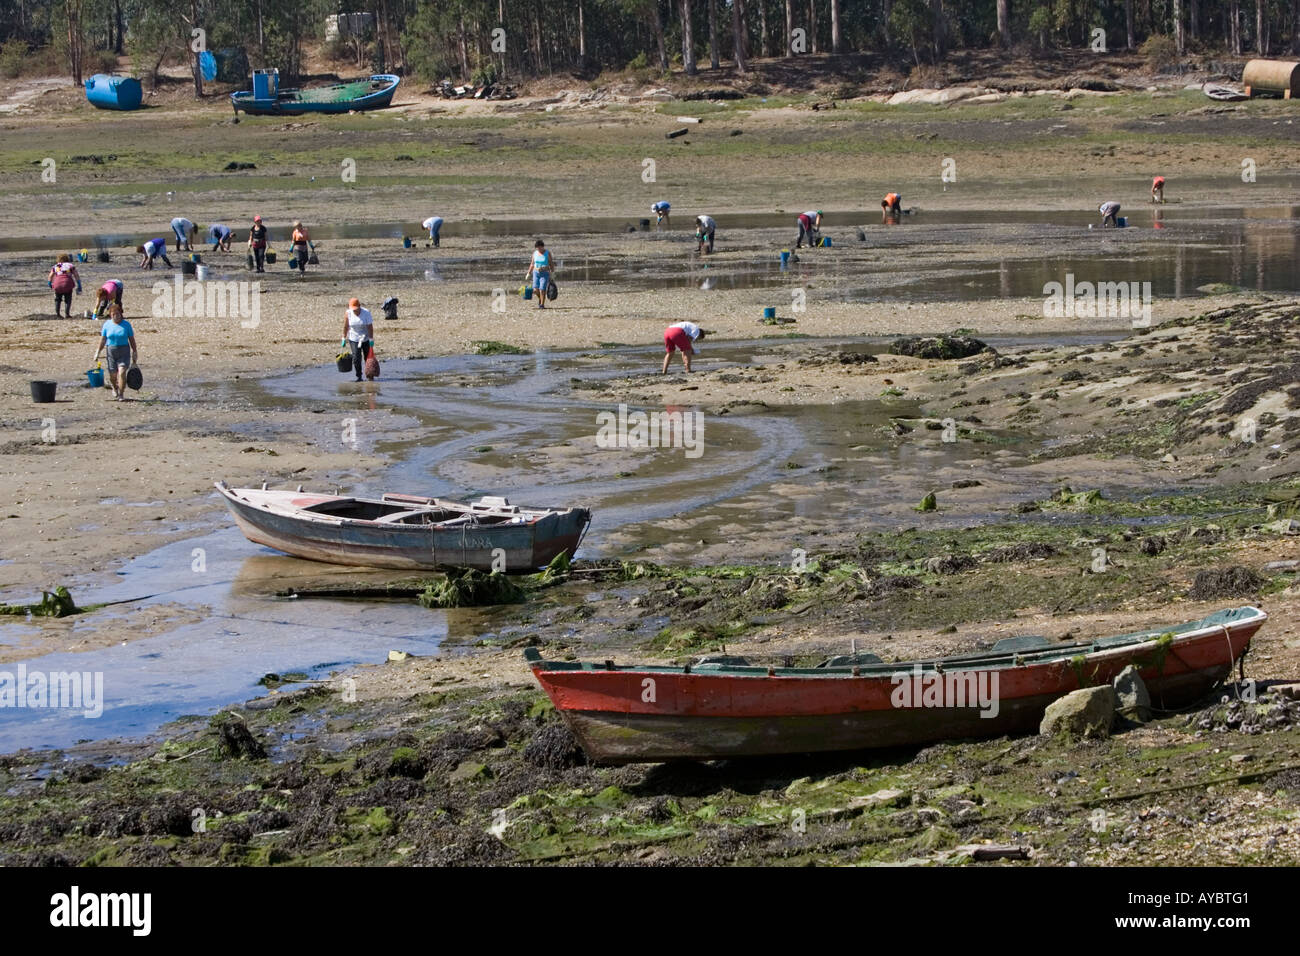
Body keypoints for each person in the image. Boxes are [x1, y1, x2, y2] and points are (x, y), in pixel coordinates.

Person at [91, 304, 138, 401]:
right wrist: (98, 352)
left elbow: (131, 339)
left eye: (117, 314)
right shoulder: (107, 325)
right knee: (113, 375)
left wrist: (134, 351)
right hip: (111, 351)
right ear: (110, 315)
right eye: (113, 314)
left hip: (124, 351)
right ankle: (114, 387)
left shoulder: (126, 325)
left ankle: (121, 394)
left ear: (121, 314)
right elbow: (103, 339)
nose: (116, 316)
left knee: (122, 373)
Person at [341, 298, 373, 383]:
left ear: (359, 306)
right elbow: (346, 326)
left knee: (368, 358)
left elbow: (370, 327)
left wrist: (371, 339)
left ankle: (369, 375)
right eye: (353, 309)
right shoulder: (348, 313)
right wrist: (343, 338)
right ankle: (359, 376)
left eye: (356, 309)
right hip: (354, 338)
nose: (354, 311)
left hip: (365, 338)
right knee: (356, 358)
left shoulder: (366, 313)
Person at [47, 253, 81, 318]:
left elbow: (50, 276)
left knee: (57, 299)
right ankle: (67, 314)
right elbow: (76, 275)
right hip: (67, 283)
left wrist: (50, 284)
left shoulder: (55, 266)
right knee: (68, 299)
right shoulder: (70, 265)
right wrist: (79, 284)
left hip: (57, 284)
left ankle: (58, 314)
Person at [524, 239, 554, 309]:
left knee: (542, 289)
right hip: (536, 272)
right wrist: (528, 273)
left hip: (545, 273)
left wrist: (552, 272)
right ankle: (540, 298)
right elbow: (532, 264)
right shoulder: (535, 253)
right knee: (535, 289)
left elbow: (551, 263)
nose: (539, 249)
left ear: (542, 247)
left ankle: (542, 305)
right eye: (537, 248)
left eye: (540, 248)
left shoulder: (547, 253)